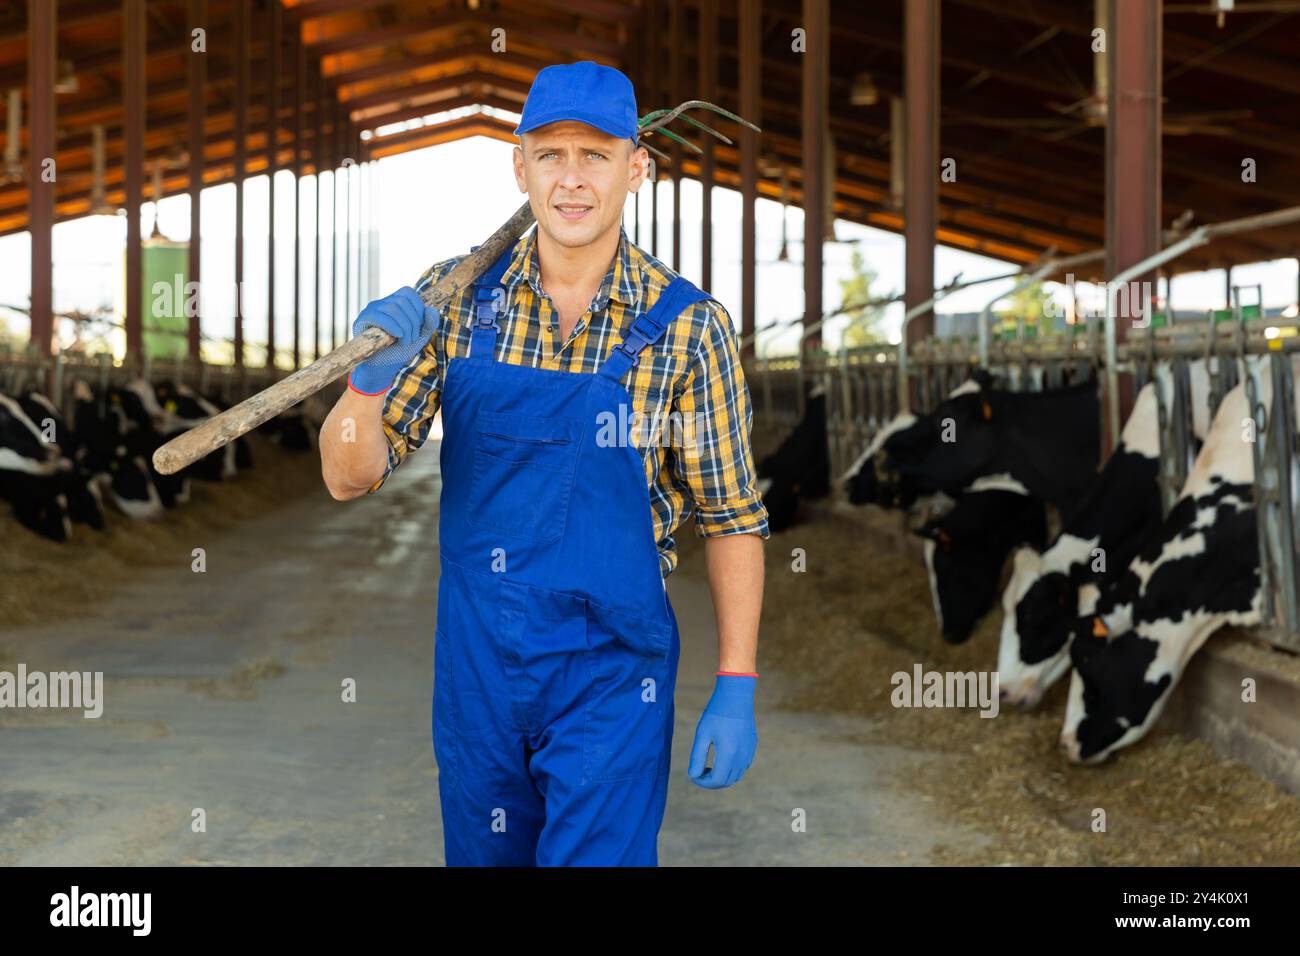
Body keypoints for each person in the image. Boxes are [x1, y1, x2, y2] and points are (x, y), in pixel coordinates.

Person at [320, 61, 768, 866]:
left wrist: (736, 681)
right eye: (551, 154)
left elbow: (733, 516)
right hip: (479, 674)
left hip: (611, 678)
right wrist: (364, 385)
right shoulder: (450, 303)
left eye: (595, 156)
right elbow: (348, 477)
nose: (571, 179)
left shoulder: (689, 330)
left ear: (638, 169)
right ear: (518, 166)